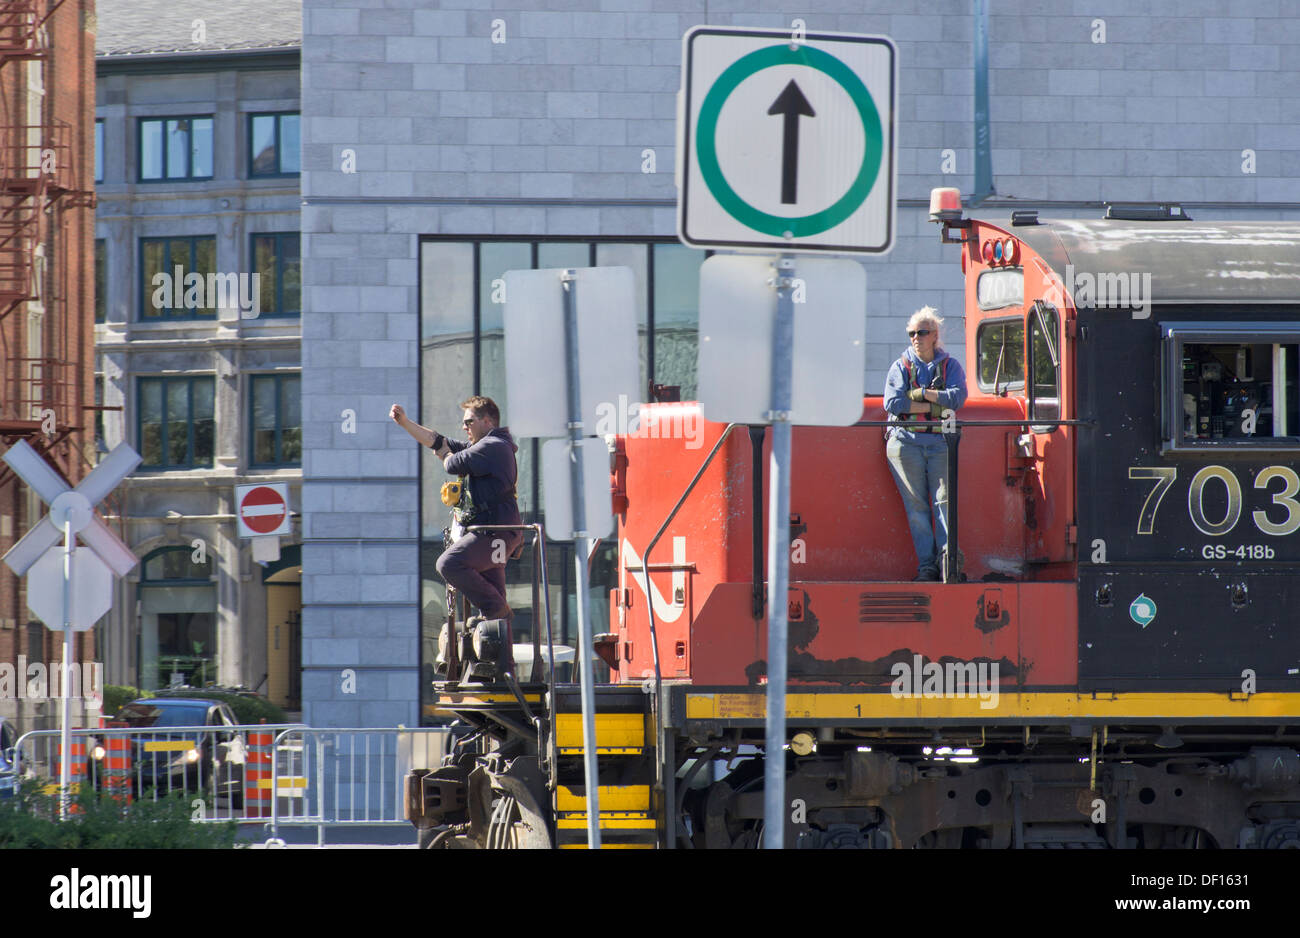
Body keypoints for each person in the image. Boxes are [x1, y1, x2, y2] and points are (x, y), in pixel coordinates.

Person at [390, 396, 523, 620]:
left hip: (493, 533)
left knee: (449, 564)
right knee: (496, 609)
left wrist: (445, 455)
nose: (464, 427)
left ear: (488, 421)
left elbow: (451, 463)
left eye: (469, 422)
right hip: (492, 533)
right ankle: (500, 645)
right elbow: (437, 440)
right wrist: (405, 422)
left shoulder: (493, 446)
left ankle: (495, 611)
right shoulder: (481, 447)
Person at [882, 307, 968, 582]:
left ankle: (948, 564)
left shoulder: (950, 366)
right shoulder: (900, 367)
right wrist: (934, 406)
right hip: (906, 444)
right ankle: (927, 567)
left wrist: (920, 394)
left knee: (944, 503)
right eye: (912, 333)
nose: (916, 338)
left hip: (941, 443)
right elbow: (893, 403)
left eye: (922, 332)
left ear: (935, 335)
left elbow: (957, 398)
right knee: (917, 508)